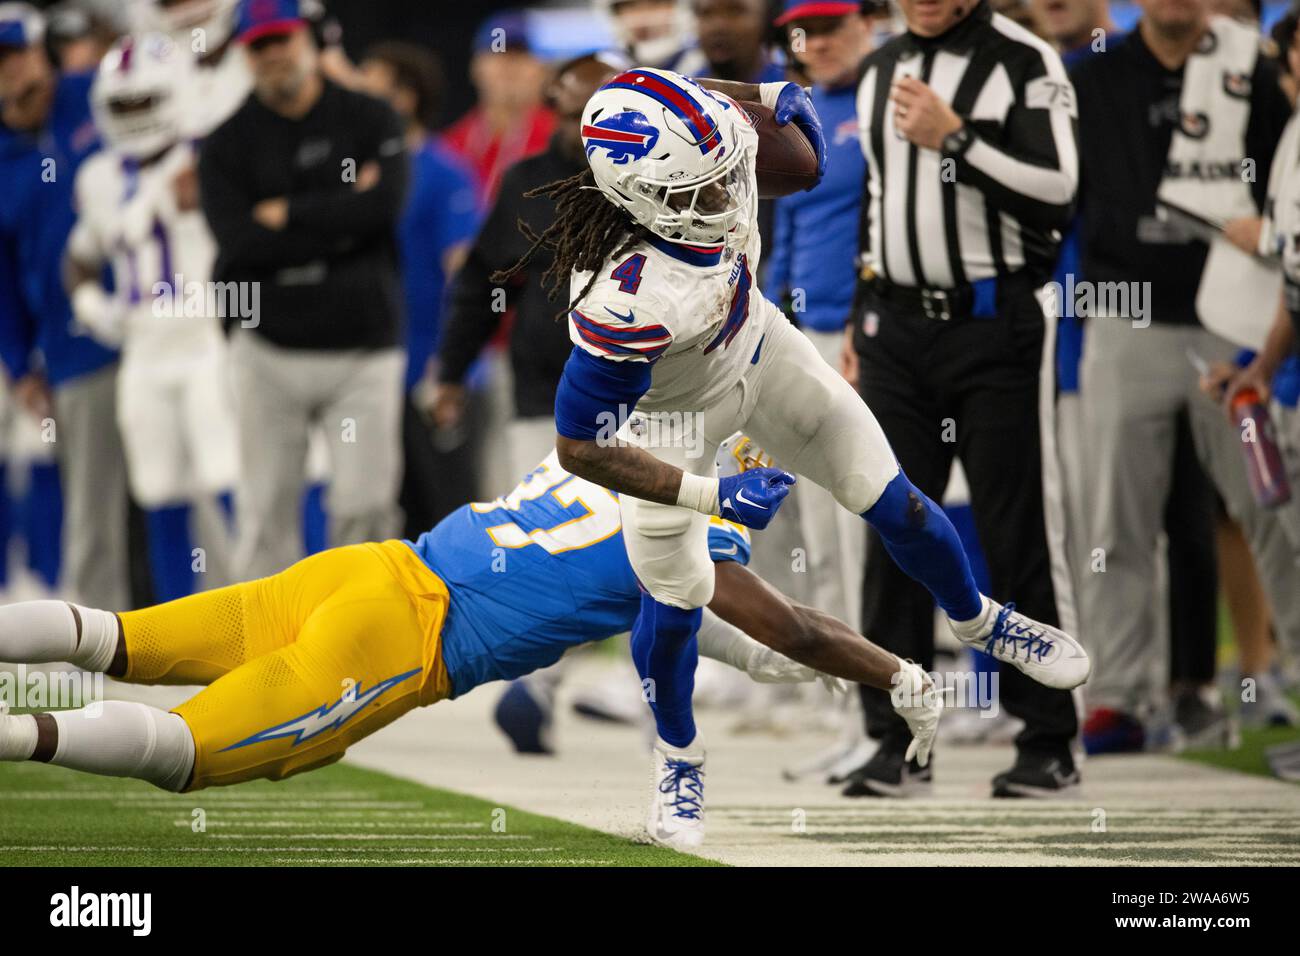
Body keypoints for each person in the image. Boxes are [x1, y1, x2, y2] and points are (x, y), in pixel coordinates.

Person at [505, 66, 1089, 843]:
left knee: (898, 501)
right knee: (676, 603)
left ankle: (980, 619)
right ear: (642, 197)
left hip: (764, 350)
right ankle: (679, 760)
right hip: (669, 421)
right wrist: (709, 497)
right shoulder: (624, 298)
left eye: (723, 176)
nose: (726, 196)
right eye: (699, 193)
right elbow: (580, 445)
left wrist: (764, 94)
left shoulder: (705, 140)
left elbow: (785, 153)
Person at [0, 450, 940, 853]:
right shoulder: (691, 543)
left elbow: (743, 644)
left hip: (363, 568)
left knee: (113, 636)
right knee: (187, 752)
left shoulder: (591, 458)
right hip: (402, 638)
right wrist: (898, 672)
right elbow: (793, 633)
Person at [845, 0, 1085, 797]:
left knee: (1016, 531)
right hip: (894, 333)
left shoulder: (1025, 60)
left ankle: (1048, 739)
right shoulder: (879, 66)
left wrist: (955, 138)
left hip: (993, 328)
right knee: (894, 528)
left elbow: (1060, 191)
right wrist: (858, 312)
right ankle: (898, 742)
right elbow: (877, 205)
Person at [1071, 0, 1297, 748]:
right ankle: (1117, 698)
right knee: (1115, 522)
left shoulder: (1256, 77)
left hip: (1233, 319)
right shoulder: (1094, 77)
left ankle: (1255, 678)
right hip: (1124, 316)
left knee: (1270, 509)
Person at [198, 0, 409, 580]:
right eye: (258, 45)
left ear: (309, 40)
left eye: (282, 39)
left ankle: (361, 638)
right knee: (266, 515)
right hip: (268, 346)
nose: (272, 55)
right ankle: (269, 652)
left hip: (363, 346)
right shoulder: (224, 143)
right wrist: (342, 221)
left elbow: (383, 210)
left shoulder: (369, 116)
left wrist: (284, 213)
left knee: (365, 509)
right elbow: (236, 241)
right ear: (244, 53)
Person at [63, 33, 239, 604]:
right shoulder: (98, 178)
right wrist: (92, 306)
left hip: (206, 340)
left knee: (228, 479)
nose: (137, 116)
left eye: (146, 102)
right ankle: (173, 632)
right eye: (125, 105)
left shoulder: (210, 156)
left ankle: (267, 616)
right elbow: (80, 256)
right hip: (143, 351)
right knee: (157, 489)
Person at [438, 53, 625, 487]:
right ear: (555, 113)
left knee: (644, 532)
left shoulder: (661, 175)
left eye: (602, 114)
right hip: (545, 393)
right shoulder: (526, 182)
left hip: (643, 395)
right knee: (545, 528)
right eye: (575, 115)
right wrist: (452, 372)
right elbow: (484, 282)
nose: (588, 128)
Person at [0, 2, 130, 612]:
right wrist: (18, 360)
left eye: (14, 54)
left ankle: (219, 618)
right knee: (92, 506)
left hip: (155, 323)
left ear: (39, 52)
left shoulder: (93, 94)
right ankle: (106, 647)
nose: (9, 71)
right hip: (71, 344)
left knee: (190, 485)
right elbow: (1, 274)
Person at [765, 0, 877, 634]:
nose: (820, 43)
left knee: (864, 507)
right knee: (818, 516)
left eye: (835, 27)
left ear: (866, 23)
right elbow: (788, 227)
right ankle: (838, 679)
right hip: (804, 335)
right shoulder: (798, 111)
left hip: (868, 332)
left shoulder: (892, 96)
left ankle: (895, 671)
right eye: (806, 33)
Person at [358, 41, 482, 536]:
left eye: (373, 92)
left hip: (425, 372)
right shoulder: (356, 171)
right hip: (366, 369)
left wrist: (450, 365)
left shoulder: (443, 170)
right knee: (380, 513)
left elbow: (464, 272)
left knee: (445, 512)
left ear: (404, 99)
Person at [443, 10, 554, 204]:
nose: (508, 66)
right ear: (475, 68)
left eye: (520, 55)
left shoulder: (562, 142)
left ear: (543, 71)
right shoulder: (451, 148)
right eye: (498, 53)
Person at [596, 0, 708, 73]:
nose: (644, 16)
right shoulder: (604, 68)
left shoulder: (710, 61)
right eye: (631, 6)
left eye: (657, 3)